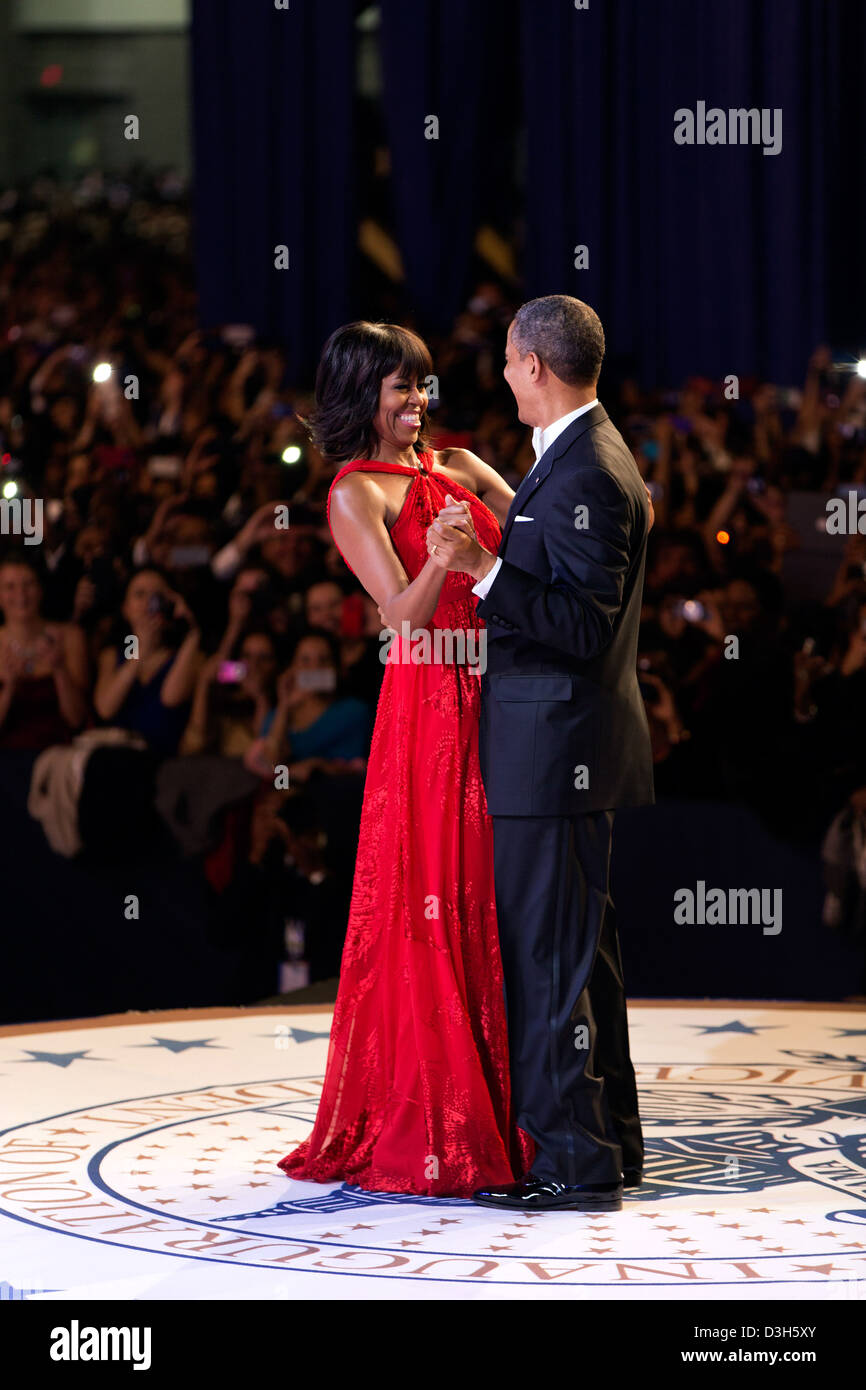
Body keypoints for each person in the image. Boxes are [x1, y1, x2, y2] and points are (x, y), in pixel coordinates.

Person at [277, 320, 534, 1196]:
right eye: (400, 388)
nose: (418, 401)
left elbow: (538, 510)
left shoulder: (460, 466)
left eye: (422, 385)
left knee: (493, 892)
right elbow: (401, 616)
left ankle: (510, 1104)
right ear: (362, 397)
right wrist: (450, 555)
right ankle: (436, 1118)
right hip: (426, 703)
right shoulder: (354, 494)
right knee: (435, 891)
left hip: (497, 689)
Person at [427, 295, 655, 1212]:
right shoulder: (582, 459)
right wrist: (493, 504)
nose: (506, 375)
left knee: (551, 966)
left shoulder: (589, 470)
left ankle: (572, 1163)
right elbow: (562, 565)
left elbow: (580, 623)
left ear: (535, 368)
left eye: (513, 362)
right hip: (566, 750)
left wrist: (479, 570)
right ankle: (609, 1143)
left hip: (556, 751)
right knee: (583, 960)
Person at [94, 567, 202, 758]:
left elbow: (171, 697)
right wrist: (140, 649)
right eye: (140, 594)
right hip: (116, 756)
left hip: (163, 758)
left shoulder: (185, 655)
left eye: (157, 596)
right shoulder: (111, 655)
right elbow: (105, 708)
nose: (148, 603)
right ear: (126, 608)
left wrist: (192, 632)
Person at [0, 555, 89, 749]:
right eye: (10, 587)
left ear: (40, 589)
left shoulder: (70, 637)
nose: (21, 595)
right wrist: (9, 688)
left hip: (59, 754)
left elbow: (77, 720)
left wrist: (59, 669)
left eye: (28, 584)